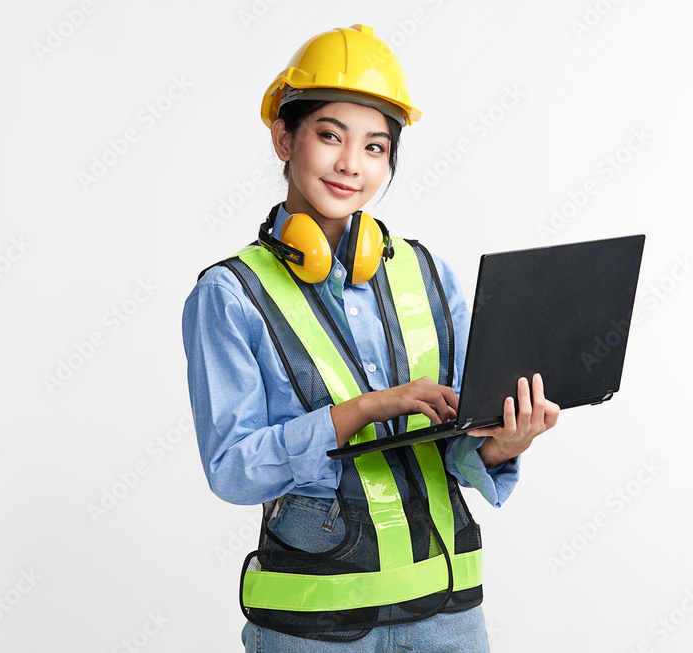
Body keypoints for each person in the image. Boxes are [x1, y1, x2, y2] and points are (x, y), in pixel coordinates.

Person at [182, 24, 560, 652]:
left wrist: (502, 443)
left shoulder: (428, 275)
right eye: (330, 136)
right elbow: (232, 470)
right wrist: (364, 410)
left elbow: (463, 446)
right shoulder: (230, 294)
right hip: (314, 629)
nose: (351, 164)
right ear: (283, 136)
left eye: (376, 147)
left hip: (448, 620)